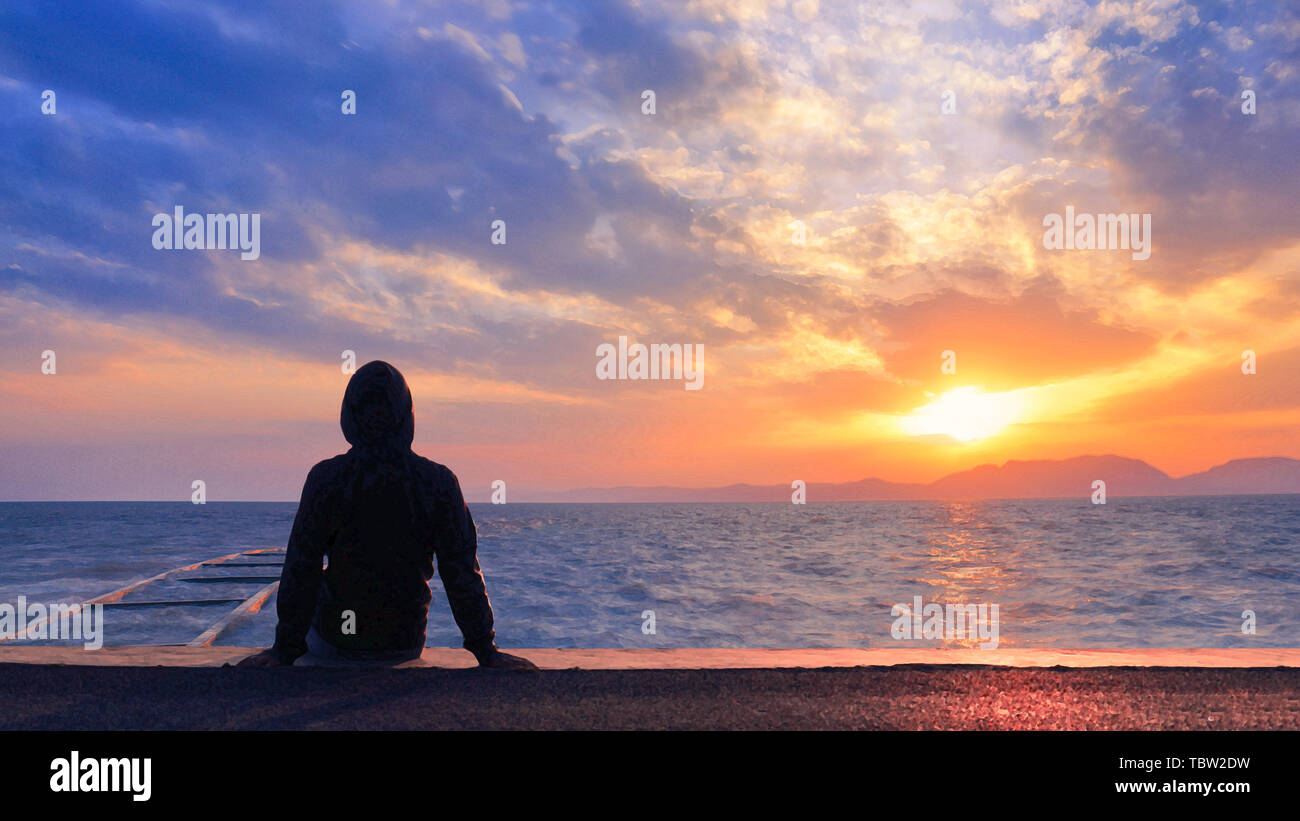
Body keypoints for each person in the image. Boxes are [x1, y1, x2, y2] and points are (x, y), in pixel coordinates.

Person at [239, 360, 536, 670]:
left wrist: (283, 650)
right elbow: (460, 572)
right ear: (406, 414)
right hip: (402, 641)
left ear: (350, 415)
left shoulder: (327, 478)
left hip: (339, 636)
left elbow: (302, 567)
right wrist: (485, 648)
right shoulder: (437, 481)